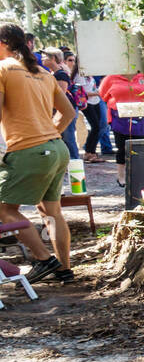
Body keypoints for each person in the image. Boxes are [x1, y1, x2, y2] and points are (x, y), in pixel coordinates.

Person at [0, 22, 79, 284]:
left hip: (29, 149)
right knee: (51, 211)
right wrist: (48, 134)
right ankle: (64, 269)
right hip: (56, 148)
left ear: (2, 44)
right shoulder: (44, 73)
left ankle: (45, 260)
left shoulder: (3, 70)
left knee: (4, 209)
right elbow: (68, 112)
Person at [99, 70, 144, 187]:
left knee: (142, 146)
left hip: (141, 117)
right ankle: (121, 176)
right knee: (122, 147)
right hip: (120, 118)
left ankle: (141, 175)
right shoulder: (111, 78)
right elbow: (103, 95)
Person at [67, 53, 104, 163]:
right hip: (87, 103)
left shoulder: (89, 74)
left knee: (99, 127)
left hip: (95, 101)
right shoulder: (79, 75)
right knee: (96, 127)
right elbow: (81, 93)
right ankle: (88, 151)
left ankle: (91, 152)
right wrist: (97, 93)